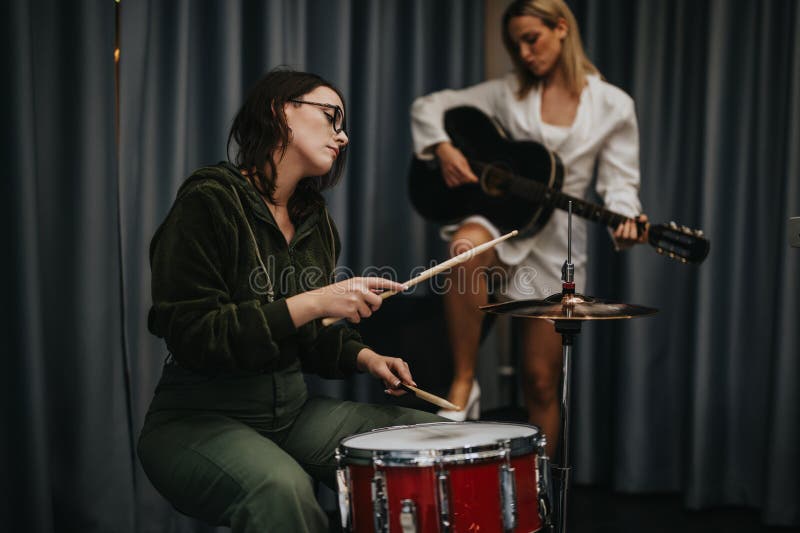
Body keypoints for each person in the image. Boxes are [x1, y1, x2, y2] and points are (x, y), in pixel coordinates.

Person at [138, 68, 442, 533]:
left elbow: (312, 340)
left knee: (424, 438)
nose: (342, 136)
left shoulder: (314, 220)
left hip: (291, 411)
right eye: (331, 116)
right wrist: (319, 301)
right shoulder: (209, 201)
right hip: (197, 416)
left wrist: (365, 356)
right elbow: (196, 334)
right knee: (282, 490)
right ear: (282, 111)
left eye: (344, 126)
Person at [410, 0, 647, 456]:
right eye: (514, 45)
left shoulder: (614, 105)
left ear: (561, 29)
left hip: (558, 242)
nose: (523, 53)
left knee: (540, 382)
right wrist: (441, 146)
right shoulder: (507, 92)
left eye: (531, 39)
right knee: (465, 244)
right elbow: (428, 106)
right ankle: (464, 382)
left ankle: (540, 500)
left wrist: (626, 220)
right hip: (501, 223)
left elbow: (621, 185)